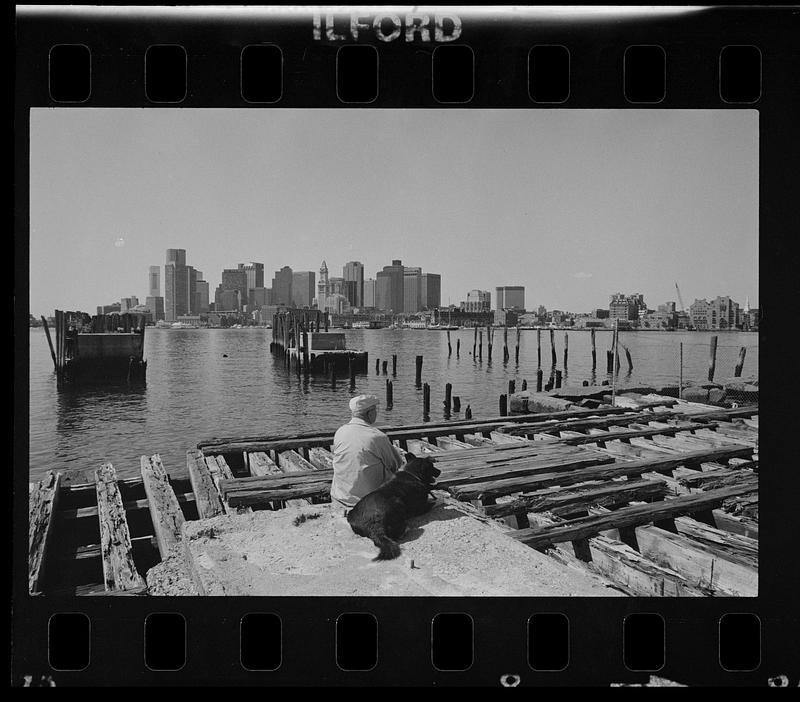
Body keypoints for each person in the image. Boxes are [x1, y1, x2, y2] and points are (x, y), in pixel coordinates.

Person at [330, 394, 402, 510]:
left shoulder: (340, 431)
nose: (377, 413)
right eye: (376, 409)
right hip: (367, 502)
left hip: (339, 496)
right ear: (370, 413)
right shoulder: (377, 437)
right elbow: (396, 465)